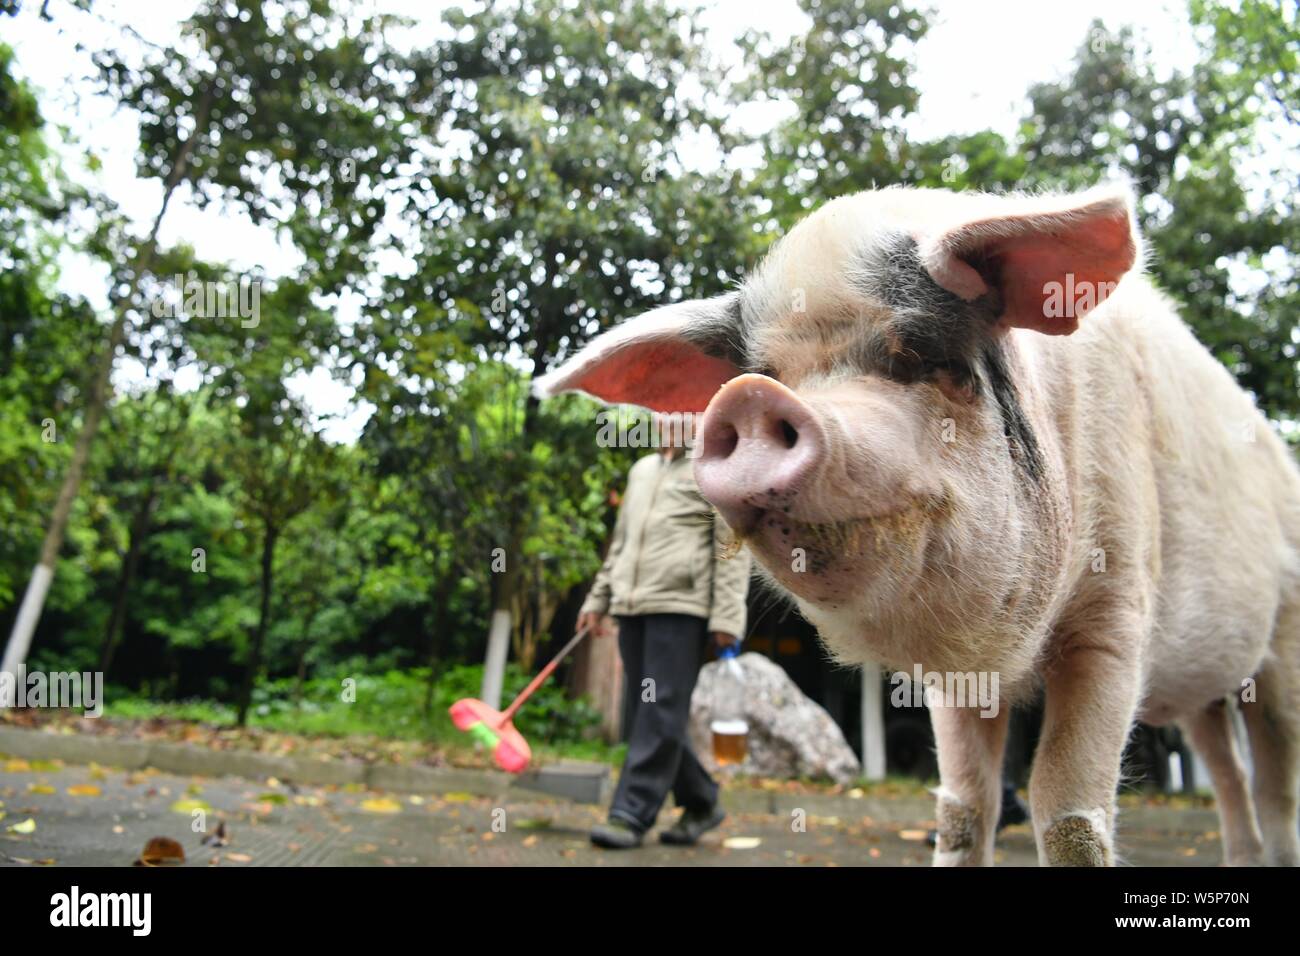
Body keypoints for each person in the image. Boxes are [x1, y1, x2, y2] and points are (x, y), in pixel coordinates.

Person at [578, 417, 751, 849]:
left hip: (682, 611)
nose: (668, 419)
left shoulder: (713, 467)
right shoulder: (640, 471)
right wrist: (597, 600)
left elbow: (731, 550)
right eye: (660, 410)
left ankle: (629, 814)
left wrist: (727, 620)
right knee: (653, 714)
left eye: (679, 410)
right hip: (632, 609)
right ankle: (702, 801)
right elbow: (620, 546)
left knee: (658, 711)